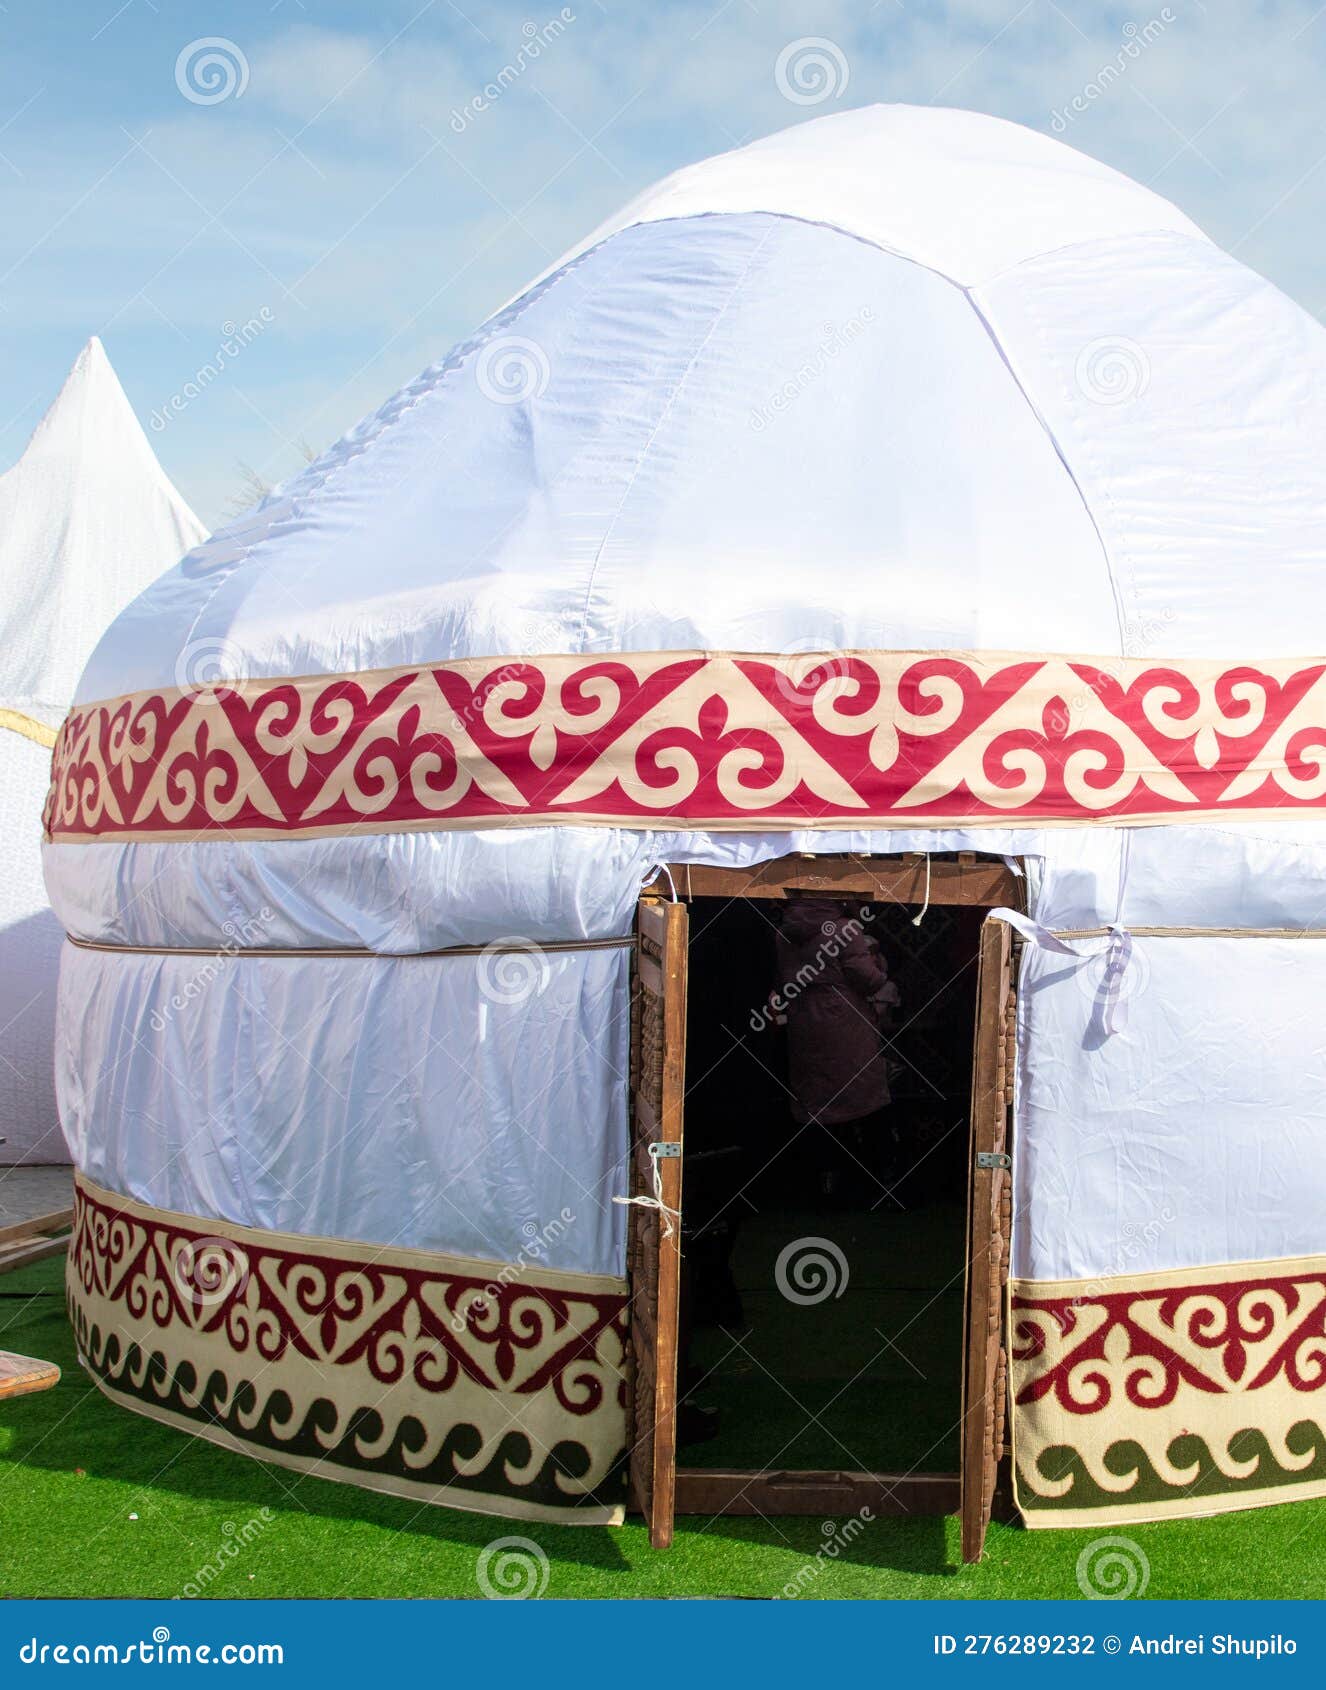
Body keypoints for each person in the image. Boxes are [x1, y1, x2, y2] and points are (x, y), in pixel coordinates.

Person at [774, 897, 900, 1203]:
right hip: (845, 1024)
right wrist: (880, 963)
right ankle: (880, 1179)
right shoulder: (845, 930)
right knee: (865, 1096)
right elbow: (867, 979)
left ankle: (826, 1183)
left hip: (805, 1022)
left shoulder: (783, 932)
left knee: (818, 1102)